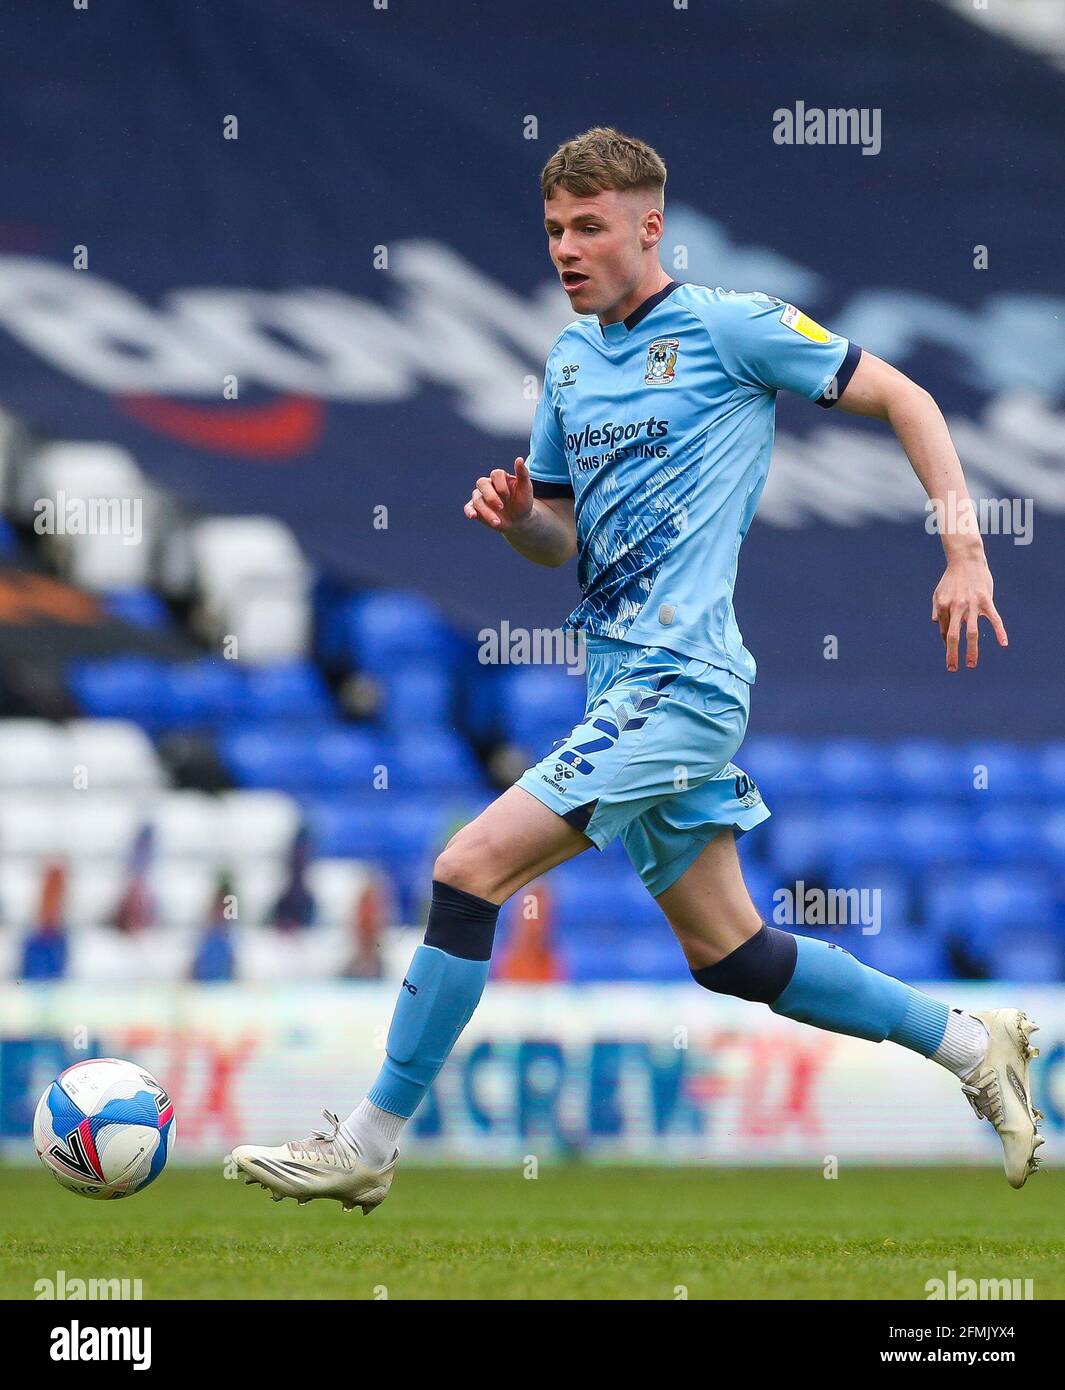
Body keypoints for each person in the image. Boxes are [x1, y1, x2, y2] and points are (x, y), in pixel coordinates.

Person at [233, 126, 1040, 1212]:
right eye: (556, 229)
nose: (566, 248)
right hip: (617, 685)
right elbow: (559, 539)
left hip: (684, 684)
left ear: (650, 227)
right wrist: (522, 518)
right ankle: (969, 1042)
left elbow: (910, 397)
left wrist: (964, 550)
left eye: (590, 227)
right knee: (735, 953)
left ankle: (370, 1141)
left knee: (469, 868)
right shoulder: (569, 361)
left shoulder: (731, 328)